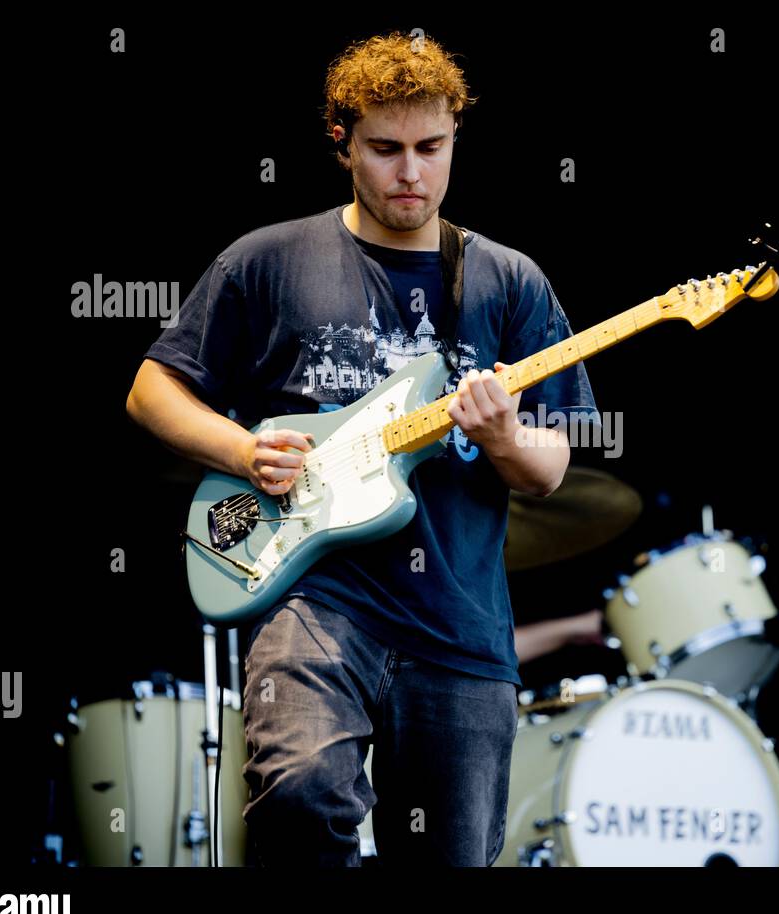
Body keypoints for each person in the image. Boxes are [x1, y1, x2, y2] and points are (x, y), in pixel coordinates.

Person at [125, 32, 598, 866]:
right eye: (385, 149)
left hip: (461, 627)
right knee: (300, 792)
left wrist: (499, 437)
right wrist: (241, 450)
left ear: (455, 137)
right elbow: (151, 389)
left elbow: (550, 465)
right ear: (341, 143)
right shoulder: (267, 260)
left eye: (431, 148)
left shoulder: (509, 281)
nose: (410, 172)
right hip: (315, 601)